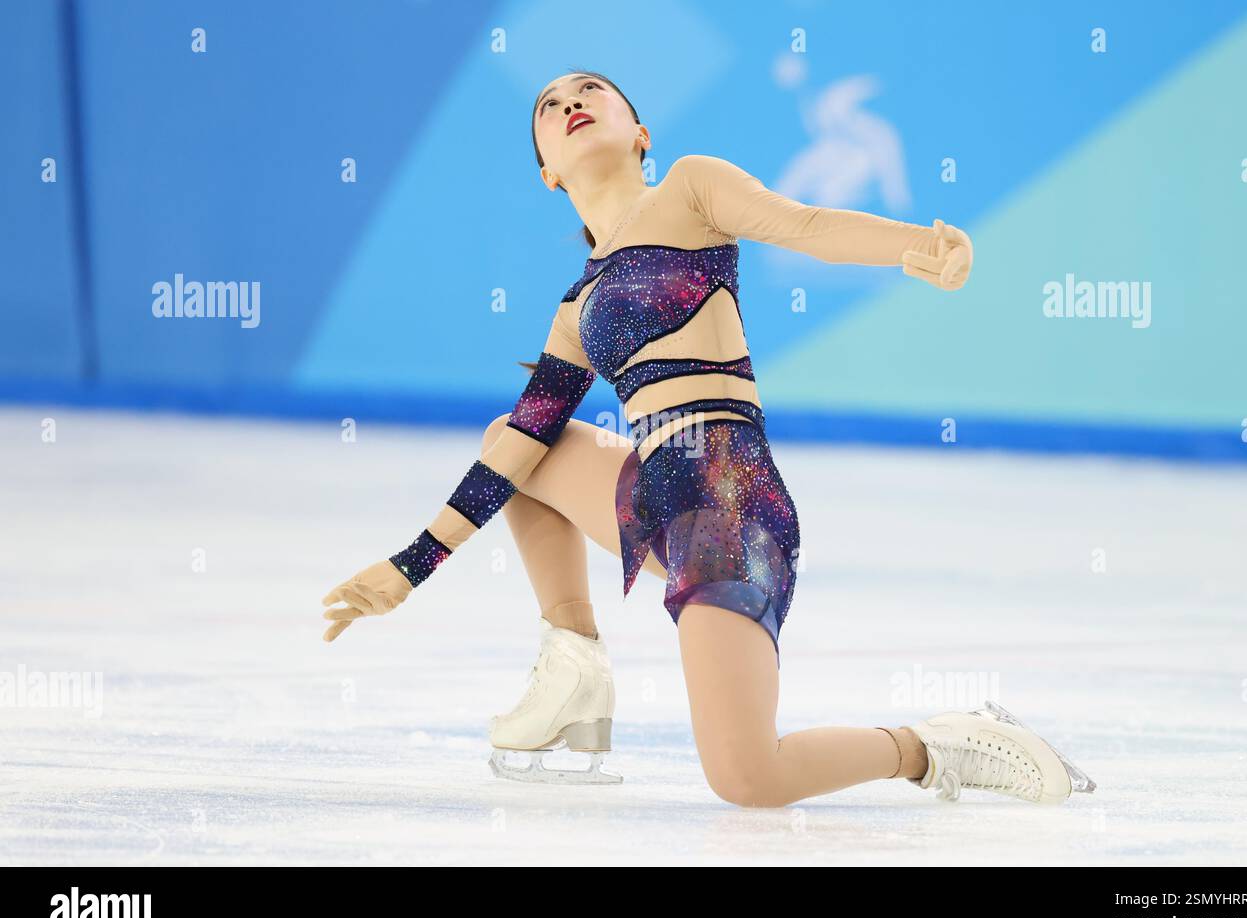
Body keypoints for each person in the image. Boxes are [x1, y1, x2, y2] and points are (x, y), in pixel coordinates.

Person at [321, 71, 1096, 806]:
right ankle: (574, 661)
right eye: (551, 106)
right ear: (548, 174)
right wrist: (409, 566)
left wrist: (913, 245)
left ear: (640, 133)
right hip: (655, 498)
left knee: (748, 777)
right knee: (517, 438)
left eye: (592, 90)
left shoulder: (690, 188)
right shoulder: (578, 304)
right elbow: (523, 441)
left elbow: (808, 224)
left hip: (730, 506)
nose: (572, 101)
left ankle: (939, 745)